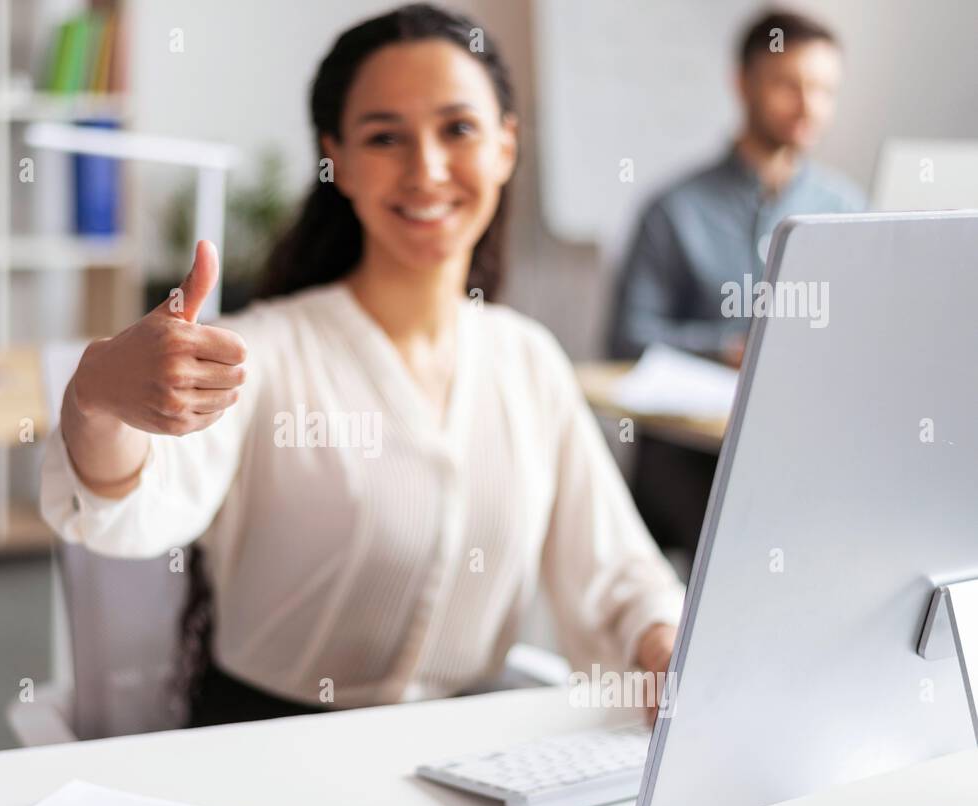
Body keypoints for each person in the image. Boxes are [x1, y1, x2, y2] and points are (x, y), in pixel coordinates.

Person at [42, 3, 684, 727]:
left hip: (465, 754)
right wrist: (95, 397)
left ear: (506, 146)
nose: (427, 168)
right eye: (385, 137)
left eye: (459, 129)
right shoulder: (263, 351)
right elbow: (134, 509)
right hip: (261, 755)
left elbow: (616, 574)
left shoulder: (527, 359)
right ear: (336, 159)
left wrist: (658, 643)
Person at [607, 8, 865, 553]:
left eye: (823, 89)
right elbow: (626, 337)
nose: (808, 106)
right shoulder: (674, 210)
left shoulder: (846, 210)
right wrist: (726, 352)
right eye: (788, 85)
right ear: (742, 83)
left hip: (806, 449)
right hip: (693, 464)